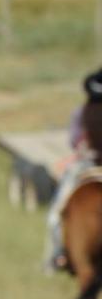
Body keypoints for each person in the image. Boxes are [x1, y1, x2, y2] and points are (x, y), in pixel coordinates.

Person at [45, 70, 102, 272]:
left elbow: (74, 141)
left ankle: (60, 253)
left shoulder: (82, 112)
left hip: (86, 165)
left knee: (56, 214)